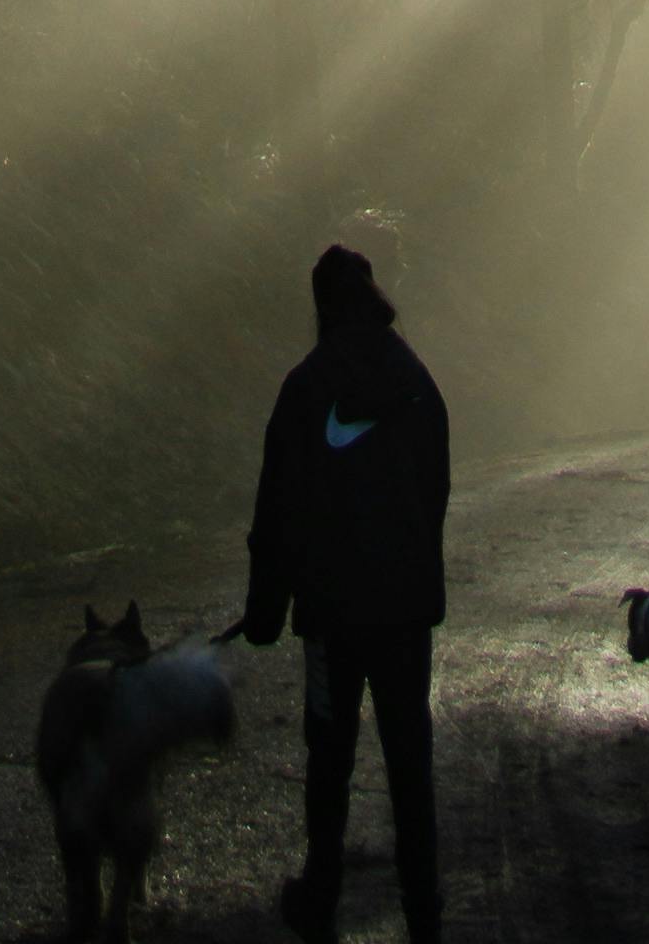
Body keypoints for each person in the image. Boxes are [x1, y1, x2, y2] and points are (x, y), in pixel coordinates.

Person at [240, 239, 449, 943]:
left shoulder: (306, 387)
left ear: (322, 304)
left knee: (328, 756)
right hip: (405, 613)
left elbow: (278, 510)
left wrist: (266, 608)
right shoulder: (417, 381)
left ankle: (321, 894)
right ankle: (425, 909)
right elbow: (435, 491)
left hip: (331, 614)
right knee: (408, 758)